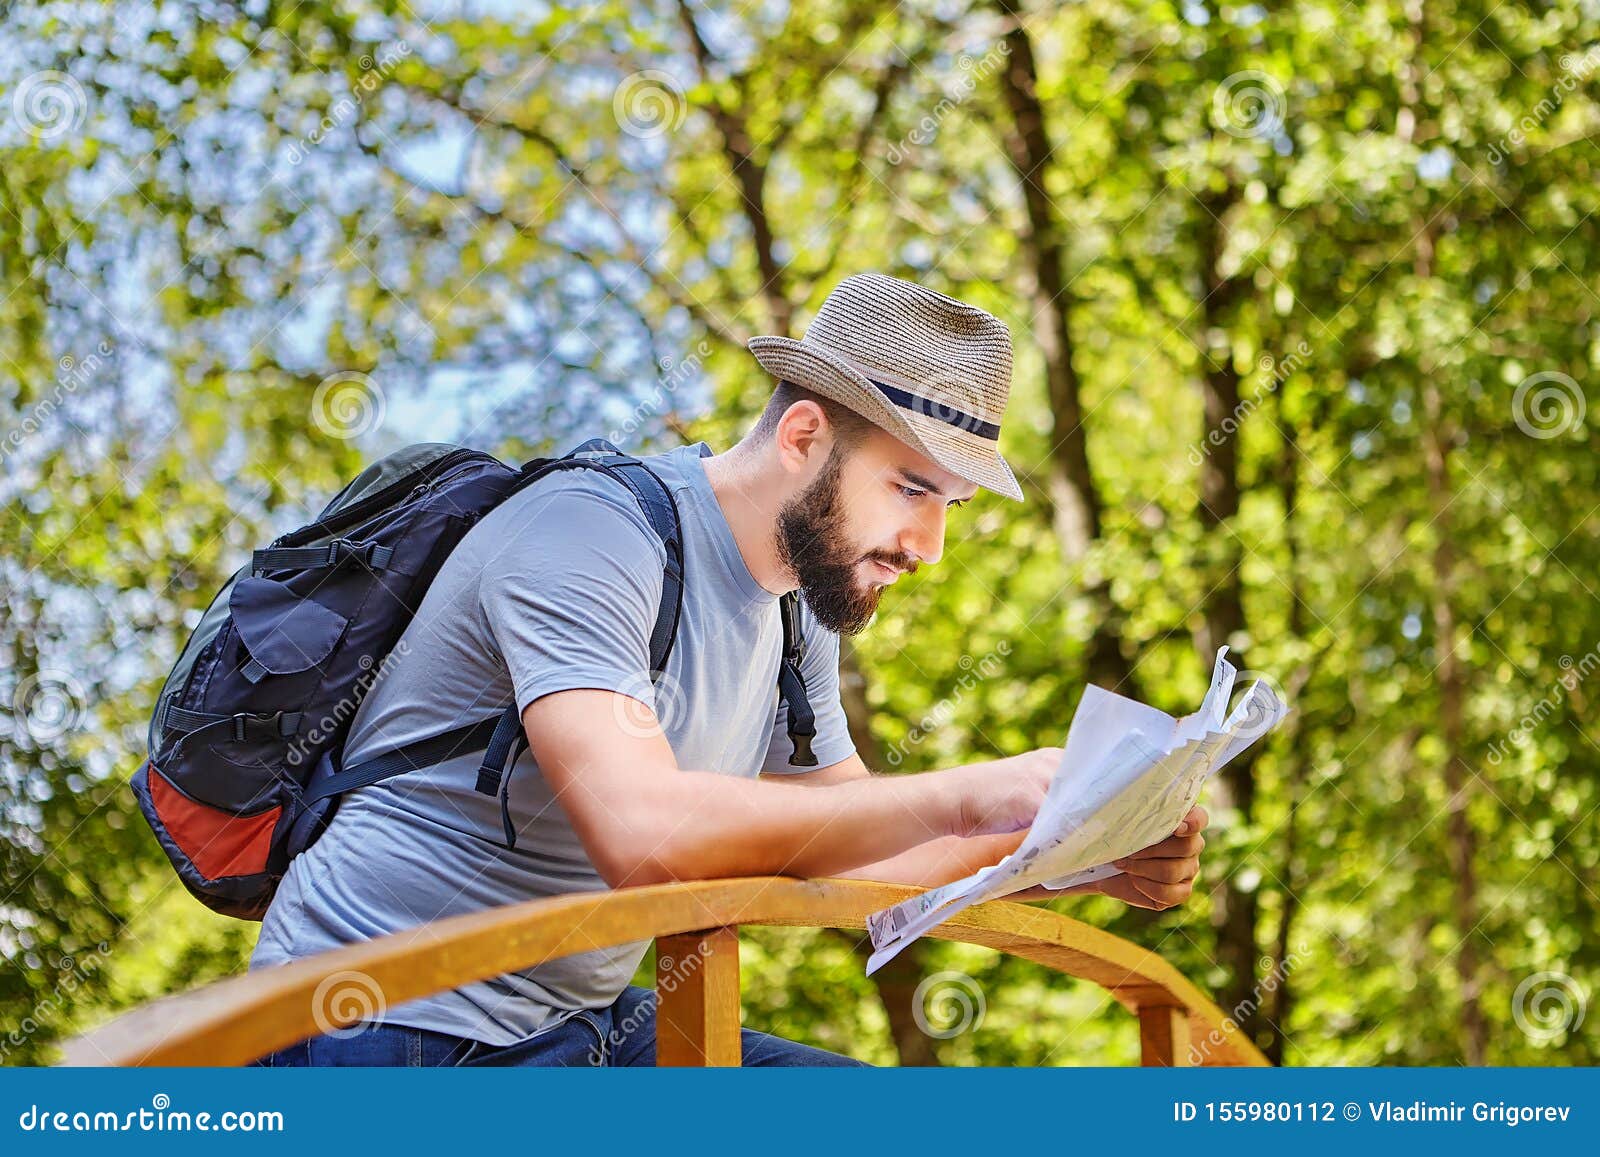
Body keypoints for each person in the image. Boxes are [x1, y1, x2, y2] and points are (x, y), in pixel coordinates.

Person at [247, 272, 1208, 1067]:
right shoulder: (589, 533)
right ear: (803, 437)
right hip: (376, 1021)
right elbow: (643, 833)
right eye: (912, 489)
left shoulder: (796, 615)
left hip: (570, 1025)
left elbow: (862, 850)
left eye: (949, 505)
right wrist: (973, 792)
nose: (929, 546)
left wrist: (1070, 851)